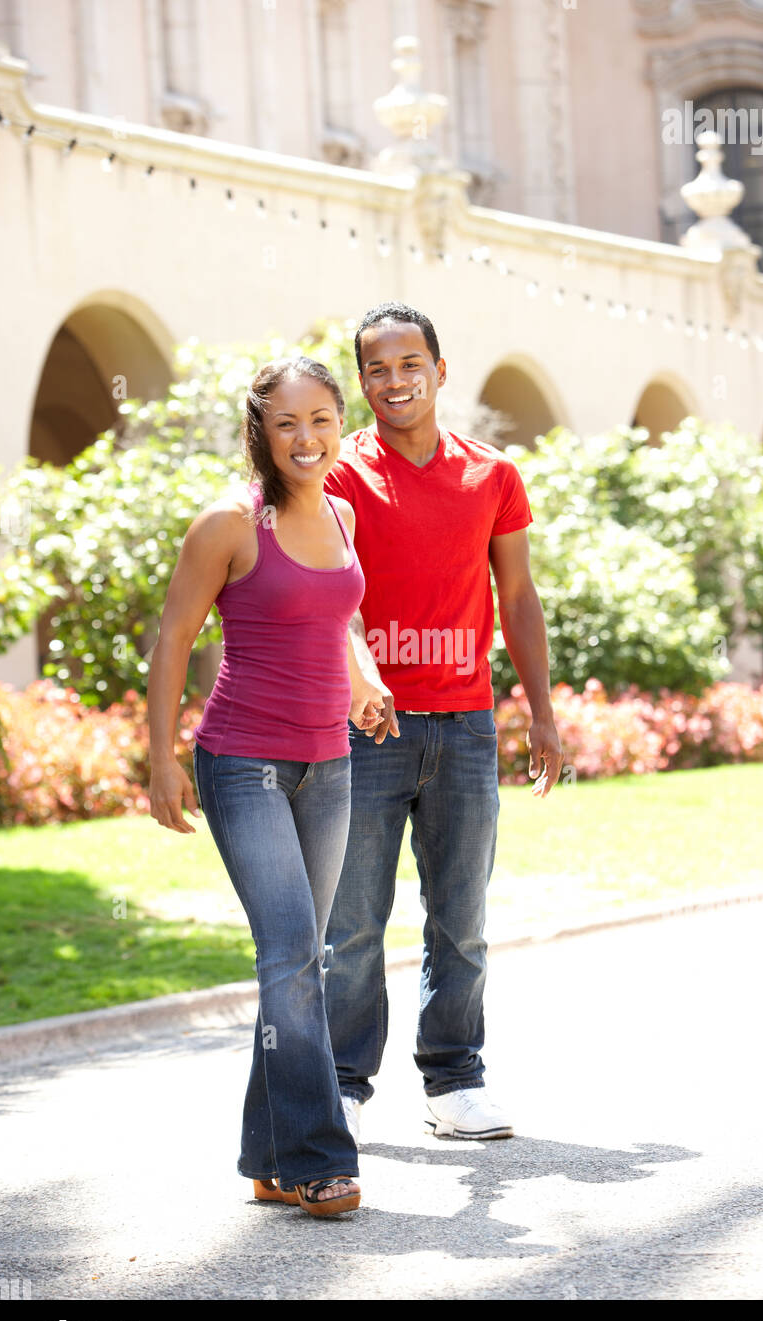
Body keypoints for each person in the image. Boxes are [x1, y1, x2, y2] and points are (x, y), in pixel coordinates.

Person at [147, 356, 385, 1217]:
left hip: (330, 763)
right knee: (291, 958)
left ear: (339, 422)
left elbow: (341, 616)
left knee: (299, 965)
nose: (306, 438)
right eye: (287, 423)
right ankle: (323, 1158)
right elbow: (175, 635)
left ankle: (269, 1156)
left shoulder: (346, 514)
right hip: (243, 761)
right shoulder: (230, 523)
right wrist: (161, 757)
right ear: (261, 429)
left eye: (320, 419)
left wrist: (363, 677)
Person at [323, 302, 564, 1143]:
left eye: (409, 364)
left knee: (461, 917)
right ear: (362, 383)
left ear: (440, 370)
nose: (395, 380)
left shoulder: (492, 475)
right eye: (377, 369)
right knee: (351, 921)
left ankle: (455, 1080)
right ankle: (344, 1086)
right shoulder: (341, 475)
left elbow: (519, 597)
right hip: (364, 730)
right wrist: (360, 679)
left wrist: (540, 711)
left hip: (463, 727)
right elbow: (326, 596)